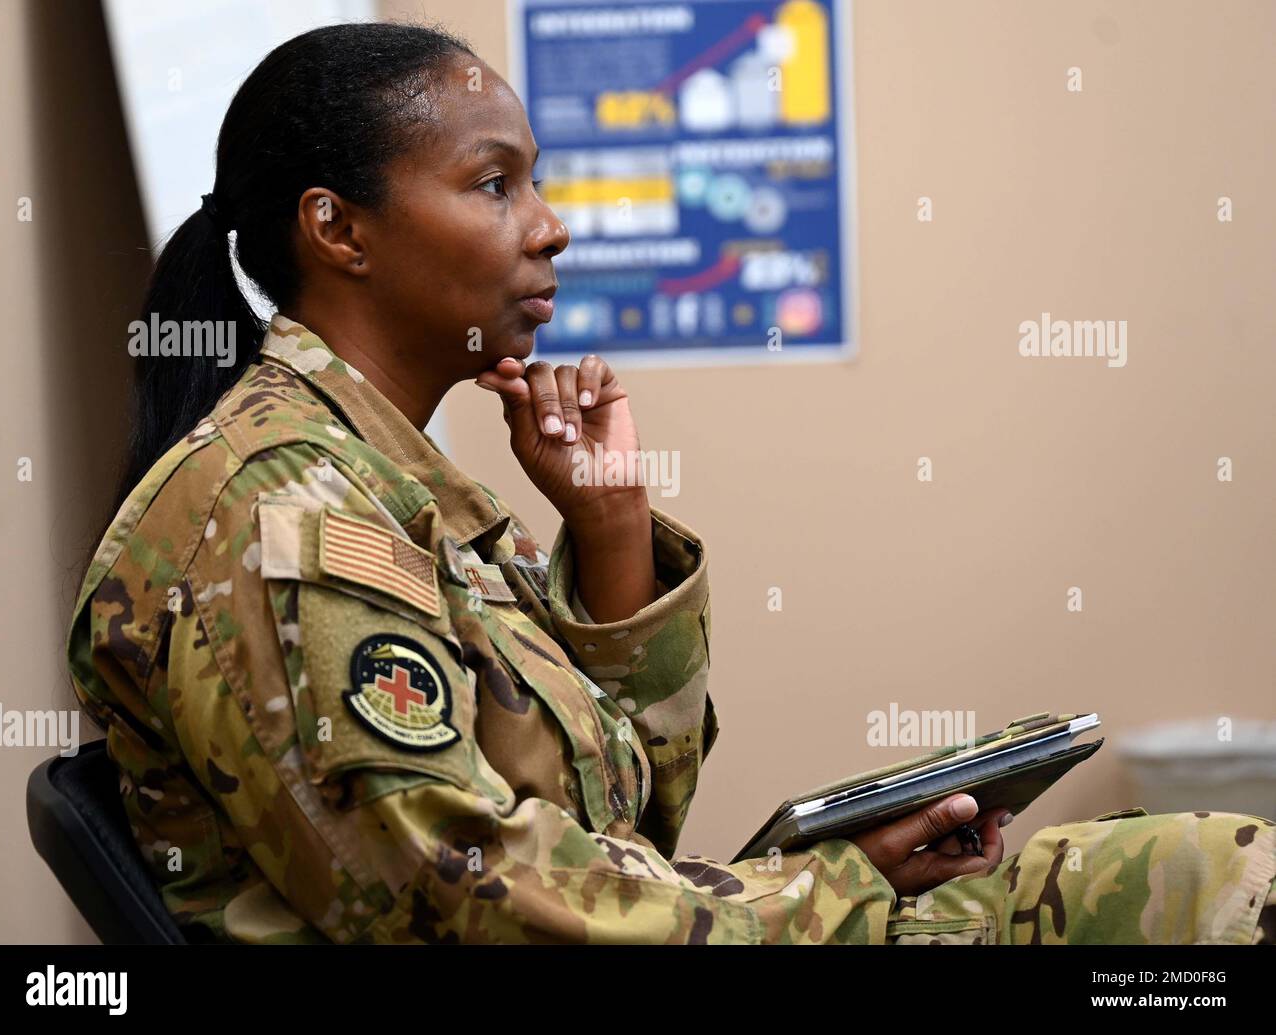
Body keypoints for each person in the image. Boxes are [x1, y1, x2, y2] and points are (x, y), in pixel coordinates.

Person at [67, 22, 1276, 945]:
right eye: (495, 186)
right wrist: (840, 887)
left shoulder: (380, 488)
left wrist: (609, 530)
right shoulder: (288, 510)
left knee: (1194, 877)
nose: (551, 229)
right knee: (1196, 894)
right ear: (340, 232)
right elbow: (469, 907)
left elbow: (620, 841)